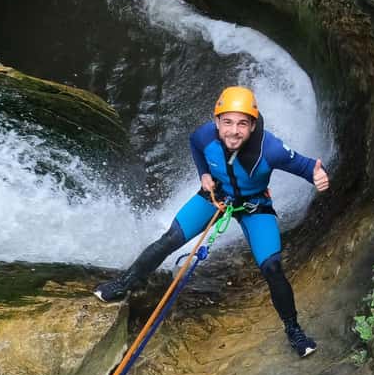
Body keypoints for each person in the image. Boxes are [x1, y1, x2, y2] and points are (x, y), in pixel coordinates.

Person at [94, 86, 330, 357]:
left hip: (254, 206)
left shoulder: (271, 149)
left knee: (273, 268)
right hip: (214, 195)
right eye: (227, 122)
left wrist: (319, 176)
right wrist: (204, 174)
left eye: (242, 124)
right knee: (170, 238)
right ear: (217, 122)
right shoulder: (205, 135)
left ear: (253, 126)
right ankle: (124, 284)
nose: (234, 131)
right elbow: (195, 145)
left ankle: (294, 332)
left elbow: (307, 166)